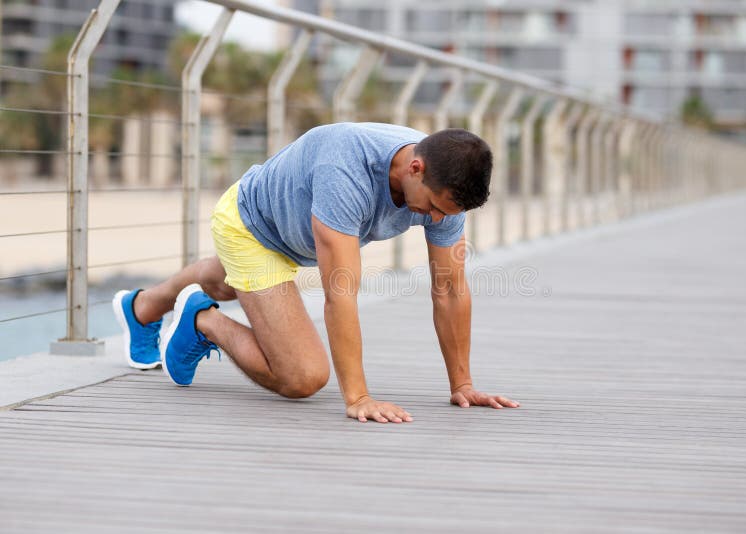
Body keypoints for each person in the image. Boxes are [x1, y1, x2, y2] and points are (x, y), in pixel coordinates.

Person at [113, 122, 519, 423]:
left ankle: (142, 308)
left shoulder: (445, 184)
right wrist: (358, 397)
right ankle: (202, 320)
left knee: (226, 281)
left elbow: (449, 290)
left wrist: (461, 386)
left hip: (293, 235)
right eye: (432, 206)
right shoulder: (347, 172)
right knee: (303, 376)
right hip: (249, 224)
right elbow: (340, 293)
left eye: (444, 214)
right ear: (415, 168)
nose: (434, 219)